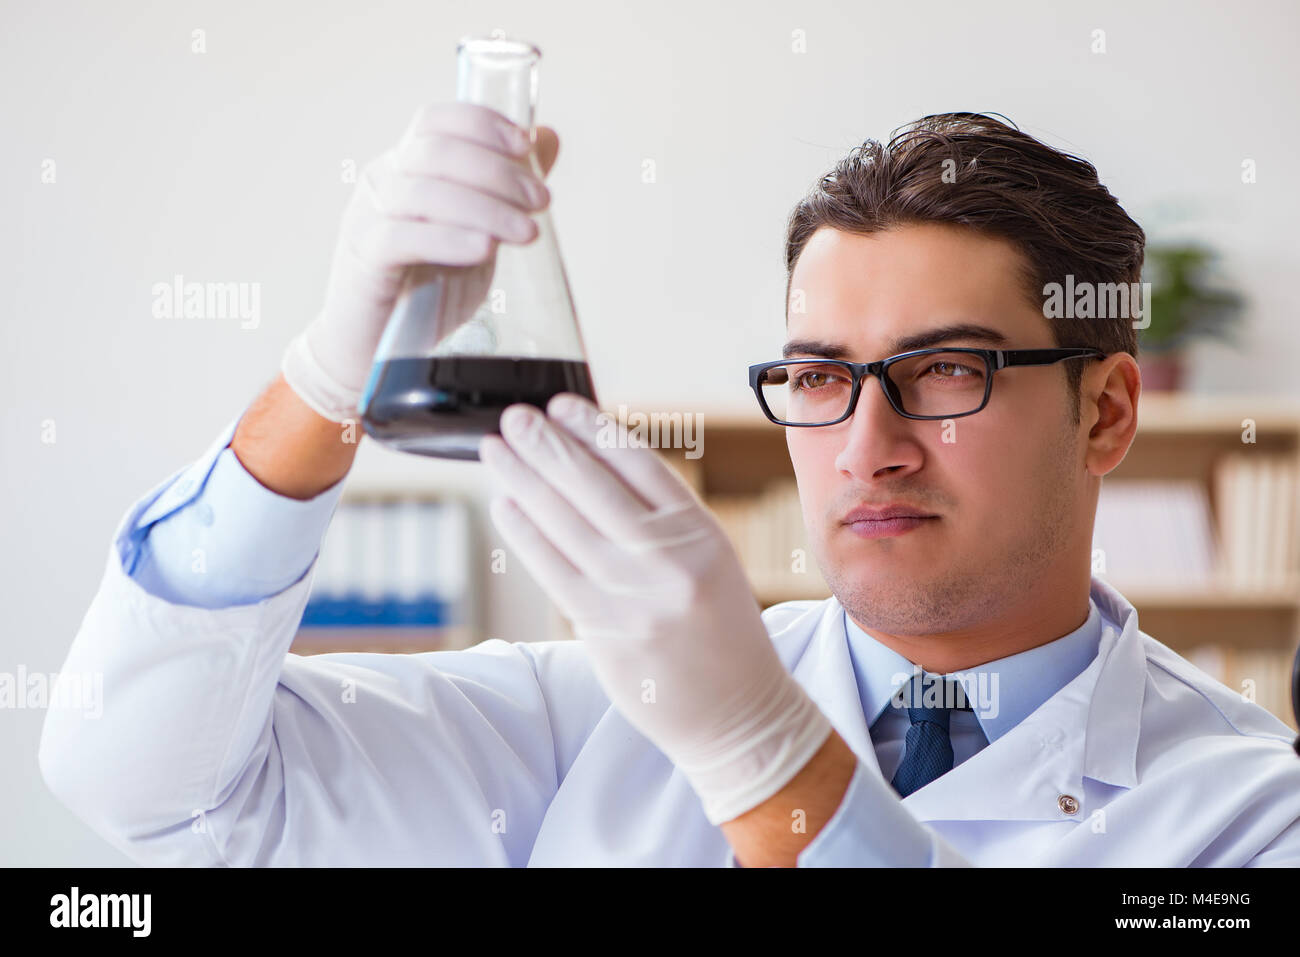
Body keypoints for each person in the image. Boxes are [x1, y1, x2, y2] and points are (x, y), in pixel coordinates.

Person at [39, 108, 1300, 867]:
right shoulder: (590, 716)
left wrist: (764, 759)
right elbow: (149, 786)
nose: (868, 443)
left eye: (943, 369)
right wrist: (323, 380)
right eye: (816, 381)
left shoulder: (1244, 813)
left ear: (1108, 410)